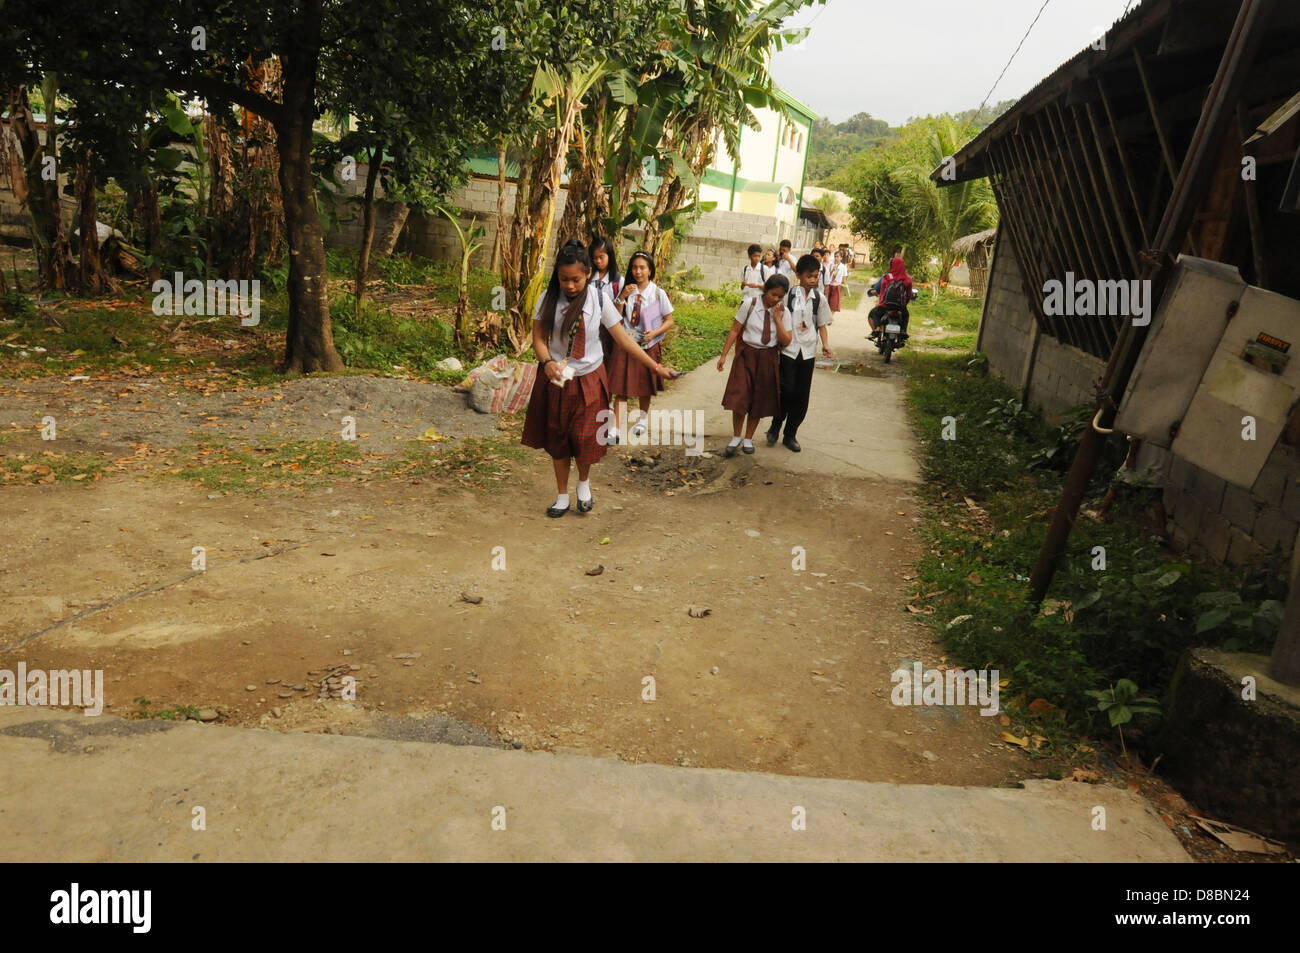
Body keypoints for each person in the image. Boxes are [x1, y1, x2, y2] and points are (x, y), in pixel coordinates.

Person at [523, 241, 676, 517]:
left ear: (588, 273)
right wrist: (546, 362)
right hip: (557, 379)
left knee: (585, 438)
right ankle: (561, 496)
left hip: (590, 378)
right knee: (559, 438)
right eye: (564, 279)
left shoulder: (599, 299)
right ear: (557, 274)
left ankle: (583, 484)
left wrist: (655, 367)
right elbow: (538, 338)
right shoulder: (548, 298)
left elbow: (624, 340)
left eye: (576, 280)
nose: (570, 285)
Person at [718, 273, 792, 456]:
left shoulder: (784, 311)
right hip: (747, 354)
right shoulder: (749, 304)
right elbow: (735, 329)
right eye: (773, 295)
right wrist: (724, 355)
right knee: (740, 395)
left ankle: (749, 438)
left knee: (758, 398)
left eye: (780, 297)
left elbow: (786, 340)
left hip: (768, 357)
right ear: (765, 290)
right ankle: (736, 436)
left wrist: (777, 319)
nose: (776, 299)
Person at [768, 255, 833, 453]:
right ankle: (775, 426)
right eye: (809, 276)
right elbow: (776, 316)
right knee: (785, 391)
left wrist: (825, 344)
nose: (813, 280)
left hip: (807, 353)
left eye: (816, 276)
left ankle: (791, 434)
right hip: (789, 350)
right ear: (799, 276)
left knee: (801, 395)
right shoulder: (788, 296)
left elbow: (821, 324)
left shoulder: (819, 299)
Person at [608, 250, 675, 443]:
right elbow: (616, 317)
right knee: (621, 386)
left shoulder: (657, 293)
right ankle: (615, 429)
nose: (638, 272)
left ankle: (642, 420)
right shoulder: (627, 289)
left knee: (645, 384)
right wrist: (622, 296)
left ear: (649, 270)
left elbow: (669, 320)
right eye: (634, 267)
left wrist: (655, 333)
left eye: (642, 268)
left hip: (648, 343)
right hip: (627, 342)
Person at [588, 235, 621, 381]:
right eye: (595, 258)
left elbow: (620, 313)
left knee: (609, 365)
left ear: (610, 255)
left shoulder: (618, 281)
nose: (598, 261)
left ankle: (608, 399)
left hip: (609, 330)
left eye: (601, 257)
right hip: (590, 328)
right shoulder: (588, 277)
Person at [870, 255, 913, 339]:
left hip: (886, 305)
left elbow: (882, 292)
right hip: (900, 307)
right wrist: (904, 304)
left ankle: (877, 328)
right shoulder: (907, 279)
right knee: (906, 315)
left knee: (874, 313)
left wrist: (881, 303)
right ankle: (903, 331)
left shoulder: (887, 277)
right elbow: (908, 295)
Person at [828, 250, 848, 318]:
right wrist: (833, 270)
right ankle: (828, 316)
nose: (836, 258)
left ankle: (830, 317)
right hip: (830, 285)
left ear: (841, 258)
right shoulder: (831, 265)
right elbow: (828, 275)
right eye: (835, 256)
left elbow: (844, 278)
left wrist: (845, 290)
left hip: (837, 286)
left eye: (838, 257)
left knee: (834, 302)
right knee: (828, 301)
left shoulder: (843, 267)